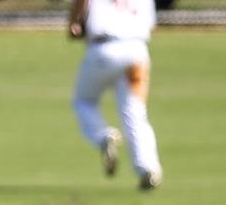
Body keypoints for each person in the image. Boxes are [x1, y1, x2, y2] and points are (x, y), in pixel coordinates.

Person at [68, 0, 164, 191]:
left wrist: (74, 22)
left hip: (103, 48)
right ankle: (148, 168)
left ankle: (103, 136)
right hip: (137, 51)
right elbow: (150, 22)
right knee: (135, 112)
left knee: (83, 101)